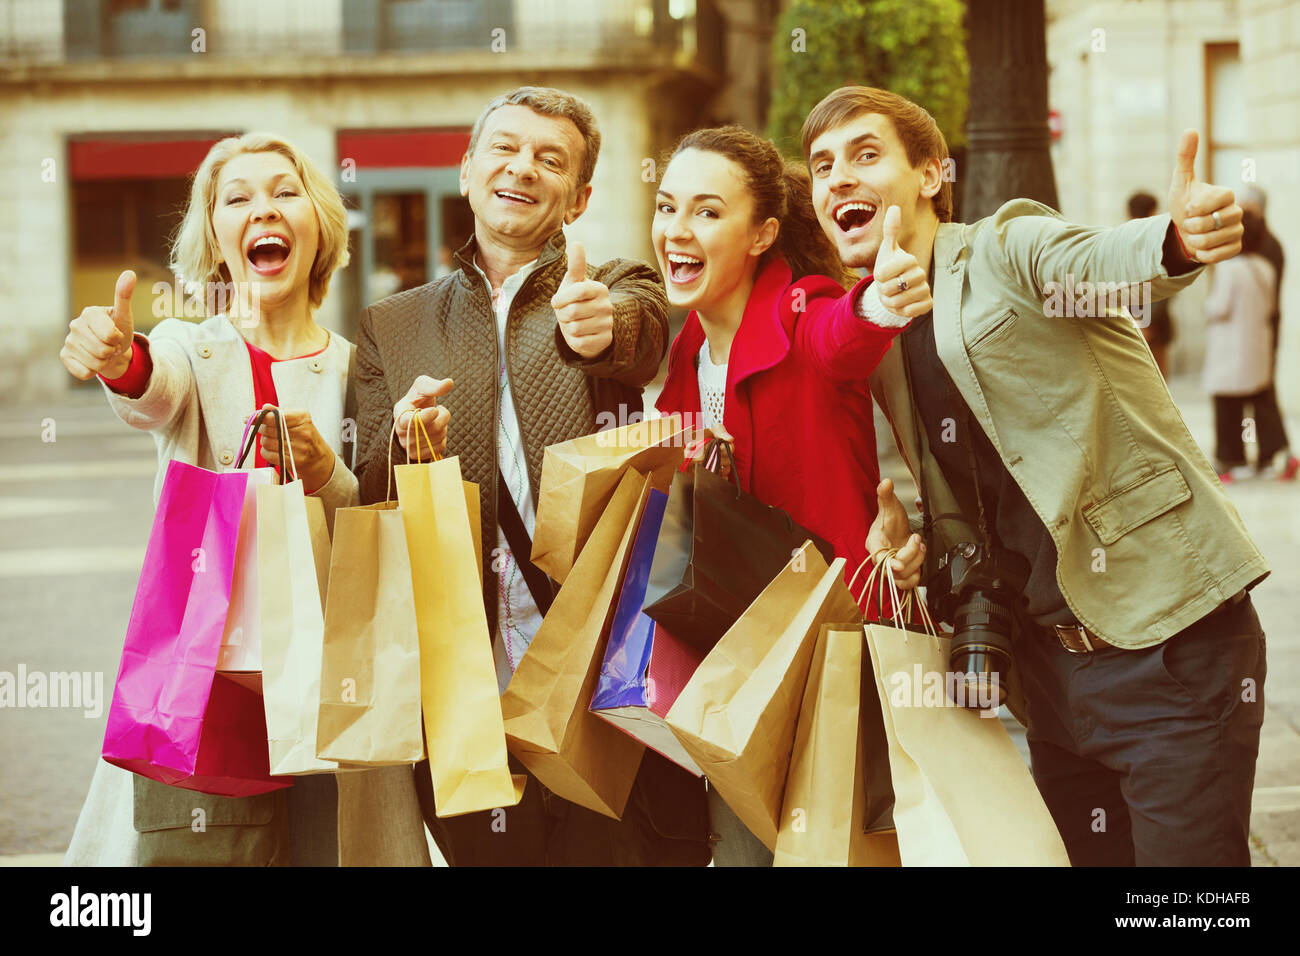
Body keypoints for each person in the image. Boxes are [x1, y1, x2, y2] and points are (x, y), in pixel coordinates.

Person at [806, 86, 1268, 866]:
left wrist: (1177, 242)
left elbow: (1102, 265)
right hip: (1049, 672)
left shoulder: (1005, 247)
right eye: (822, 167)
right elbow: (986, 487)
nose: (838, 179)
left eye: (864, 154)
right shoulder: (881, 335)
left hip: (1167, 642)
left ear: (930, 173)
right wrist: (915, 544)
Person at [350, 86, 709, 866]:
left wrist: (600, 326)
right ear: (467, 170)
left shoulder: (616, 283)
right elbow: (366, 482)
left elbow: (640, 337)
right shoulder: (393, 323)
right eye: (505, 148)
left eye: (551, 160)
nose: (523, 167)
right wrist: (407, 442)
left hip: (597, 658)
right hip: (463, 665)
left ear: (577, 198)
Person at [59, 133, 424, 866]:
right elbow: (149, 387)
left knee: (341, 851)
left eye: (285, 192)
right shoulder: (193, 351)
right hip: (211, 687)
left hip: (333, 691)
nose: (265, 208)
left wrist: (330, 473)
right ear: (217, 237)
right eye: (239, 198)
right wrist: (118, 359)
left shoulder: (364, 369)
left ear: (318, 223)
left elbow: (375, 526)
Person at [650, 125, 928, 865]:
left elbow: (841, 335)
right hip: (734, 663)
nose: (677, 230)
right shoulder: (688, 349)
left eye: (707, 212)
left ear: (764, 232)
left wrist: (877, 303)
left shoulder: (802, 304)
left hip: (828, 654)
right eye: (667, 206)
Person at [1203, 207, 1293, 481]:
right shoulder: (1264, 268)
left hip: (1230, 350)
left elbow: (1217, 307)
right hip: (1256, 346)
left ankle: (1232, 460)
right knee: (1259, 403)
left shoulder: (1230, 270)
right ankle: (1269, 456)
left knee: (1227, 406)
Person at [1236, 185, 1298, 480]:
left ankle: (1278, 451)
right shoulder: (1263, 242)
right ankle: (1270, 455)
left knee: (1262, 391)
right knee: (1262, 391)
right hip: (1256, 330)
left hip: (1258, 330)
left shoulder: (1266, 245)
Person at [1126, 191, 1176, 378]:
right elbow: (1166, 285)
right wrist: (1147, 323)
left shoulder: (1122, 241)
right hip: (1149, 328)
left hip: (1134, 325)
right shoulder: (1158, 243)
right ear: (1152, 212)